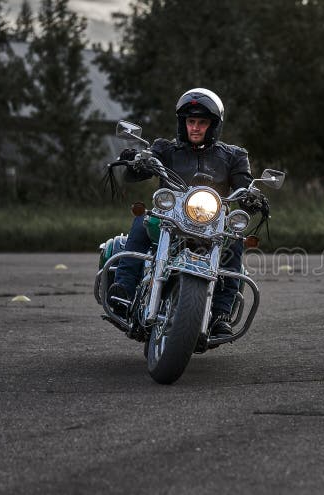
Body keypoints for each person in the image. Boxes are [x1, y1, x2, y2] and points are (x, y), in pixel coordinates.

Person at [107, 88, 254, 337]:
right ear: (182, 123)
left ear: (214, 125)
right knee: (143, 220)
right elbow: (138, 170)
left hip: (212, 225)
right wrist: (136, 160)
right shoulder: (165, 149)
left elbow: (244, 185)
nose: (195, 127)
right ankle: (123, 290)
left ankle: (220, 313)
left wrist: (252, 195)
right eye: (191, 121)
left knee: (235, 241)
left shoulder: (234, 155)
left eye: (202, 122)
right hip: (170, 219)